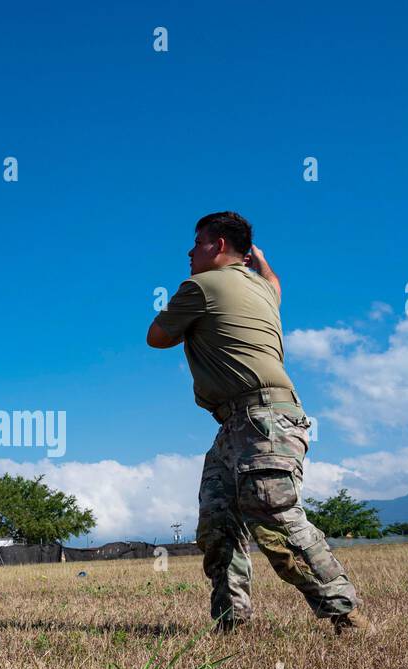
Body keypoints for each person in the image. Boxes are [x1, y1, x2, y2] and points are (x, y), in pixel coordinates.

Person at [146, 211, 367, 634]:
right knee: (218, 523)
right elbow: (277, 284)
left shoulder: (199, 287)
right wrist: (258, 261)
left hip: (262, 418)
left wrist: (191, 314)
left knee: (274, 517)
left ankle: (345, 612)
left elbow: (157, 336)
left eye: (197, 242)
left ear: (220, 246)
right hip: (237, 423)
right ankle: (232, 622)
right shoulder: (263, 288)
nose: (189, 252)